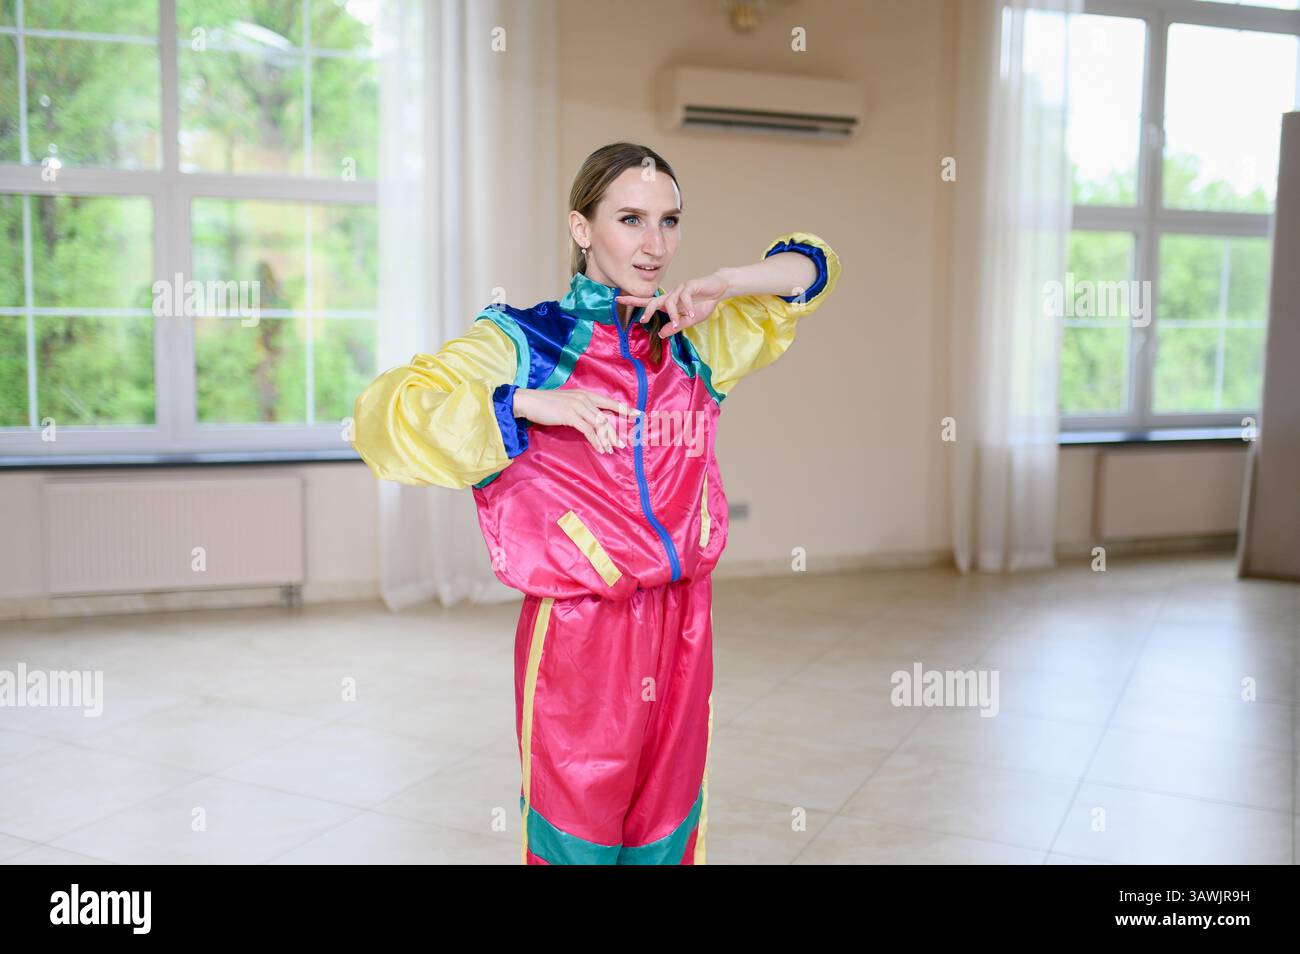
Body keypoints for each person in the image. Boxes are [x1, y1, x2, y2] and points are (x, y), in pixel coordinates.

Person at [351, 141, 842, 864]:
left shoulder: (693, 337)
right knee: (576, 840)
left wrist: (729, 282)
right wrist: (524, 401)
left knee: (668, 830)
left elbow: (811, 265)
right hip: (581, 633)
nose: (655, 244)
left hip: (685, 621)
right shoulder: (527, 338)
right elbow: (385, 413)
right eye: (631, 219)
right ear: (581, 228)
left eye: (670, 221)